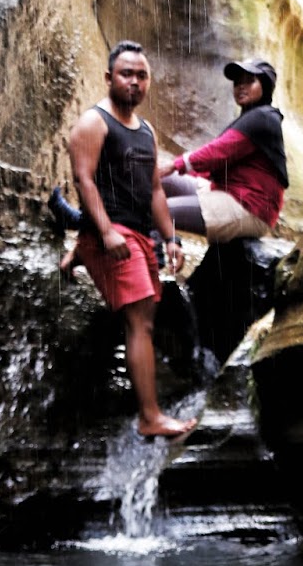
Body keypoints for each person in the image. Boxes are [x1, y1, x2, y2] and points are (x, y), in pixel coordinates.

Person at [67, 40, 196, 439]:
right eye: (127, 74)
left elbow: (155, 190)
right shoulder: (93, 123)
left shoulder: (146, 132)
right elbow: (83, 179)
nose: (135, 82)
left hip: (139, 235)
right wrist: (103, 232)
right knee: (140, 321)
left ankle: (77, 253)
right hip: (113, 232)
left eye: (142, 75)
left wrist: (171, 238)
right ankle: (150, 417)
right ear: (109, 78)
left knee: (148, 317)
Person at [159, 57, 288, 241]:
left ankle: (152, 260)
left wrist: (175, 165)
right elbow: (218, 165)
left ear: (266, 85)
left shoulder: (265, 117)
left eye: (250, 81)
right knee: (160, 181)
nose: (241, 87)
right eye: (238, 82)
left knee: (160, 212)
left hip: (250, 208)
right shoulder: (249, 119)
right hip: (228, 193)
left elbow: (219, 151)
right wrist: (174, 171)